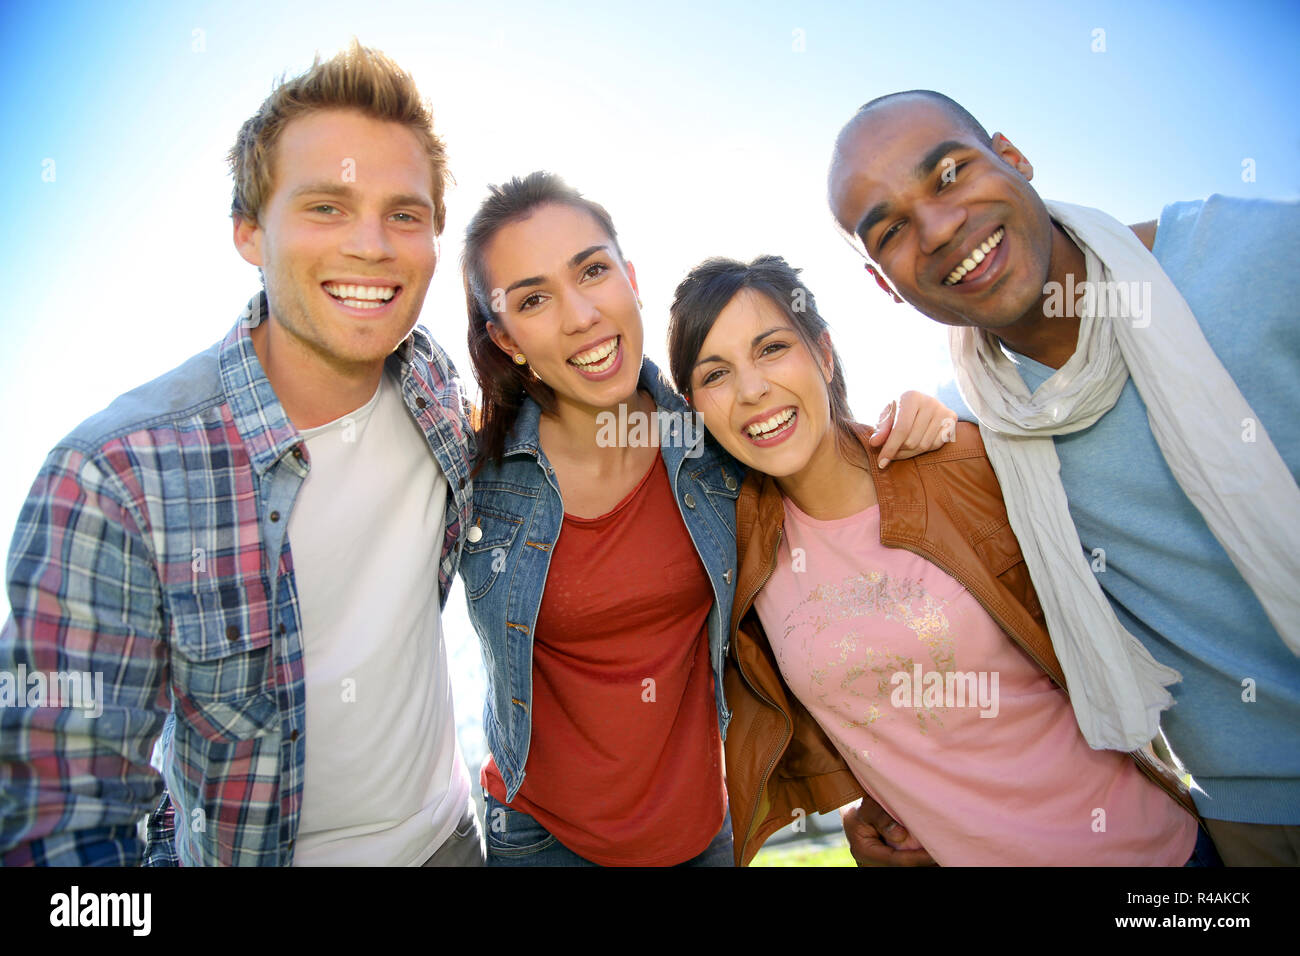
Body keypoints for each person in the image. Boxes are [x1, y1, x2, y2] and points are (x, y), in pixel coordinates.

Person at [0, 42, 483, 866]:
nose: (372, 245)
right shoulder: (115, 479)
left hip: (450, 841)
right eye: (327, 206)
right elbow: (67, 829)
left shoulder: (433, 381)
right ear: (247, 232)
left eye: (404, 213)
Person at [826, 89, 1300, 866]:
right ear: (887, 285)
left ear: (1013, 157)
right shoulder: (971, 434)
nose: (941, 228)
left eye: (948, 174)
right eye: (893, 230)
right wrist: (895, 793)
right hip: (1242, 822)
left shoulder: (1263, 261)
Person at [458, 171, 949, 866]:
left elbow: (826, 484)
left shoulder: (714, 441)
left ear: (629, 278)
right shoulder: (475, 472)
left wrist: (922, 414)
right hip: (541, 838)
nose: (581, 315)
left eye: (593, 271)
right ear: (505, 340)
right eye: (534, 299)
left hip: (705, 834)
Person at [667, 253, 1210, 866]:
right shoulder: (733, 553)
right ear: (694, 407)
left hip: (1150, 856)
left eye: (771, 349)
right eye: (716, 374)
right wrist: (866, 796)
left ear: (822, 353)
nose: (751, 389)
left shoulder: (959, 459)